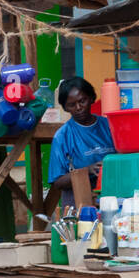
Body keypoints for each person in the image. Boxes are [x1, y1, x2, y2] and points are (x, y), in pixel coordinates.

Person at [47, 77, 115, 207]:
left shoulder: (110, 126)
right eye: (72, 105)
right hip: (79, 204)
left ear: (91, 98)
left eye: (82, 101)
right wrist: (87, 171)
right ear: (66, 108)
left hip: (114, 197)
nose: (78, 107)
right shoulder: (62, 136)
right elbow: (58, 182)